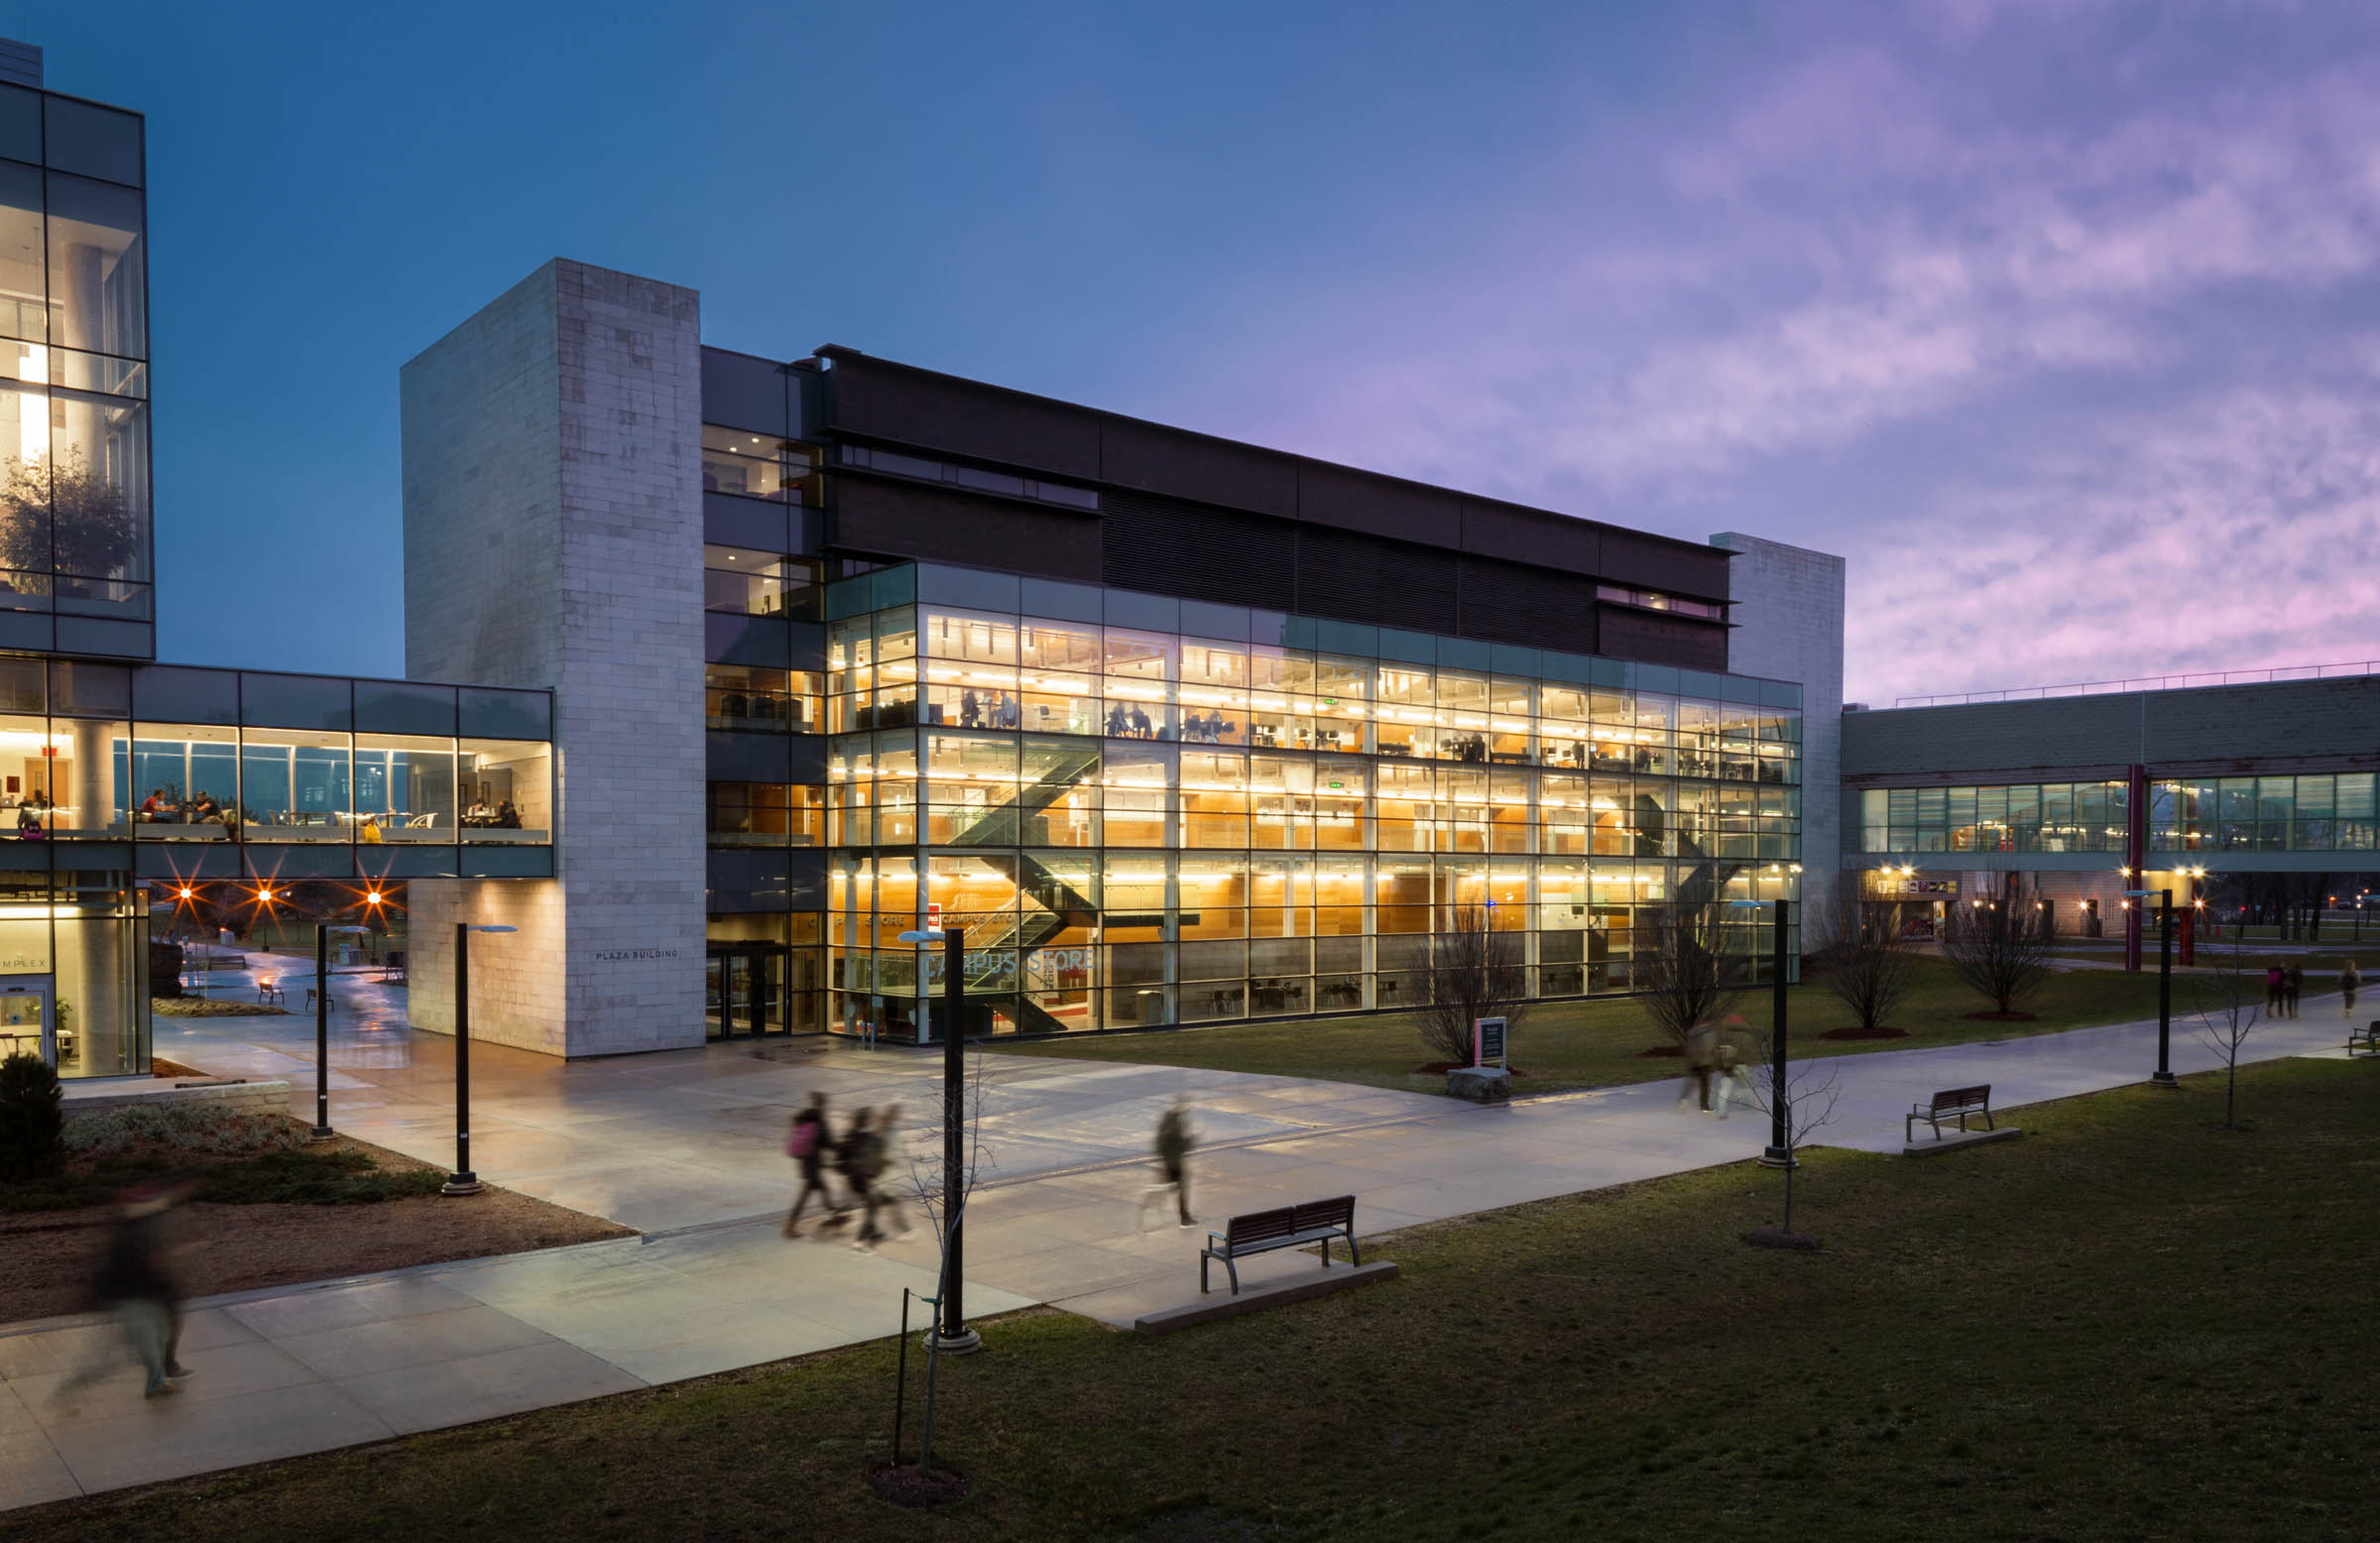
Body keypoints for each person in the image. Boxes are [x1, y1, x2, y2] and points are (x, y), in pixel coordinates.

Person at [54, 1182, 194, 1402]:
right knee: (115, 1356)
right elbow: (136, 1268)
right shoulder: (131, 1235)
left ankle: (157, 1381)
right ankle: (69, 1388)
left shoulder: (137, 1230)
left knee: (156, 1334)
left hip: (137, 1299)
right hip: (128, 1301)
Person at [782, 1092, 837, 1239]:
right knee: (807, 1195)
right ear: (823, 1104)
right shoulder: (819, 1119)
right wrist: (841, 1146)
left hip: (805, 1163)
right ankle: (789, 1227)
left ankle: (833, 1216)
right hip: (813, 1164)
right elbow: (828, 1143)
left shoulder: (805, 1117)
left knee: (823, 1190)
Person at [1140, 1095, 1197, 1228]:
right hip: (1173, 1162)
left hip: (1171, 1161)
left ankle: (1184, 1217)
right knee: (1178, 1188)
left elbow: (1161, 1141)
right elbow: (1173, 1142)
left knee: (1179, 1188)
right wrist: (1191, 1140)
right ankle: (1184, 1218)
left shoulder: (1171, 1118)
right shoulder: (1173, 1121)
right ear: (1180, 1105)